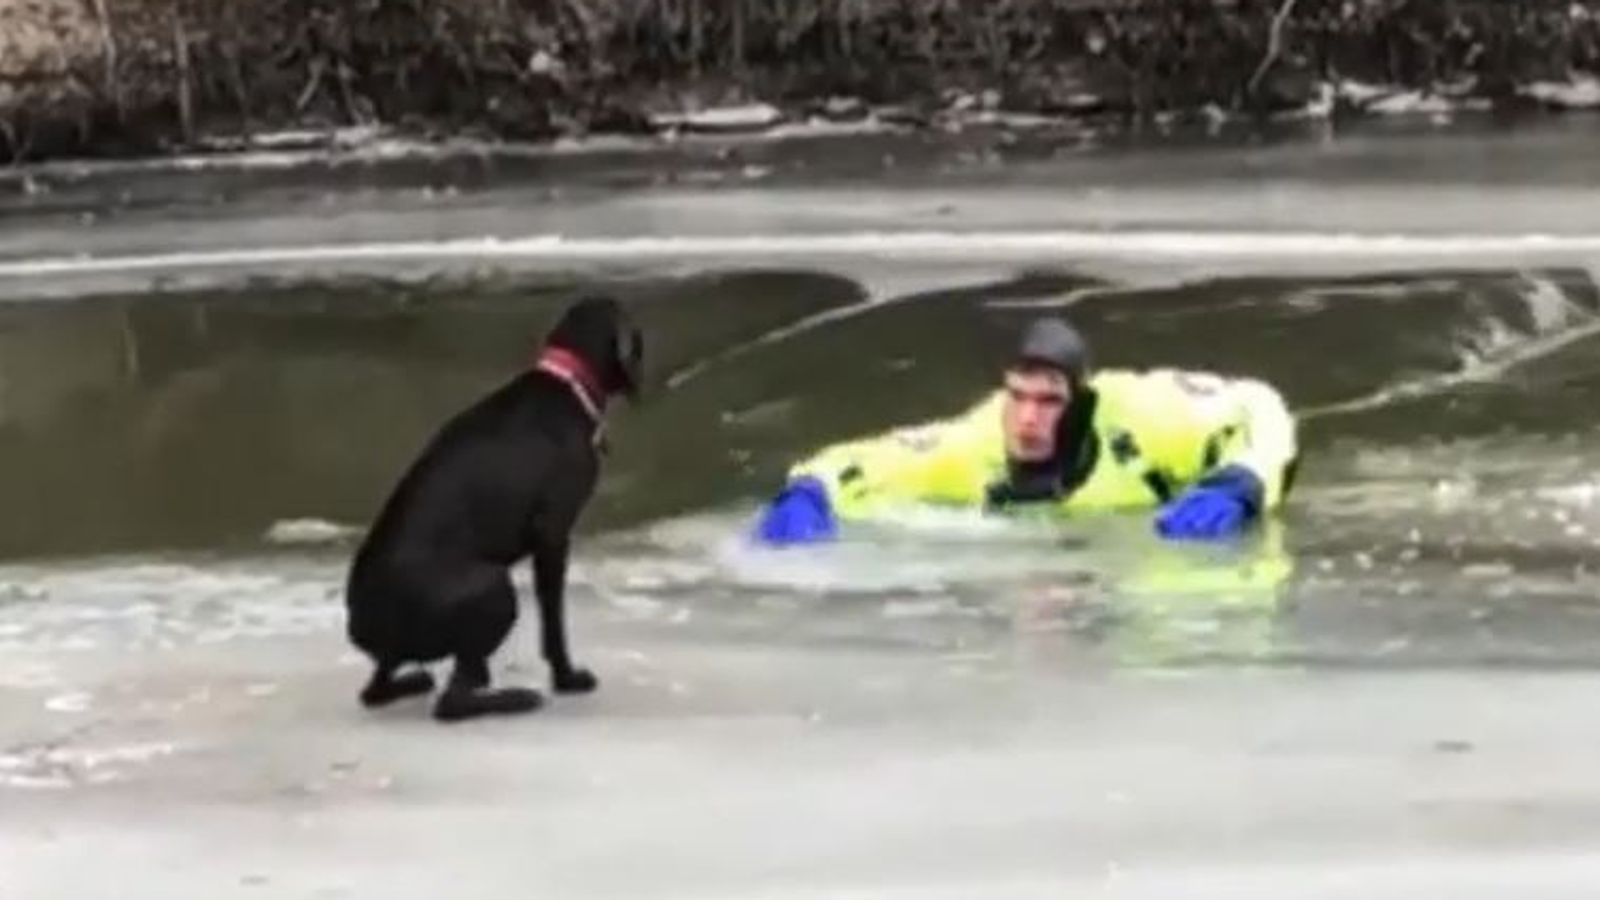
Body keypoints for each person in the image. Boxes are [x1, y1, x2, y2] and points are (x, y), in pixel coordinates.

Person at [751, 316, 1300, 545]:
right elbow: (866, 462)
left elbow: (1261, 406)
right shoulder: (978, 445)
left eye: (1048, 401)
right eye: (1017, 396)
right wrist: (809, 491)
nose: (1028, 418)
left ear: (1080, 402)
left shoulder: (1142, 415)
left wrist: (1241, 483)